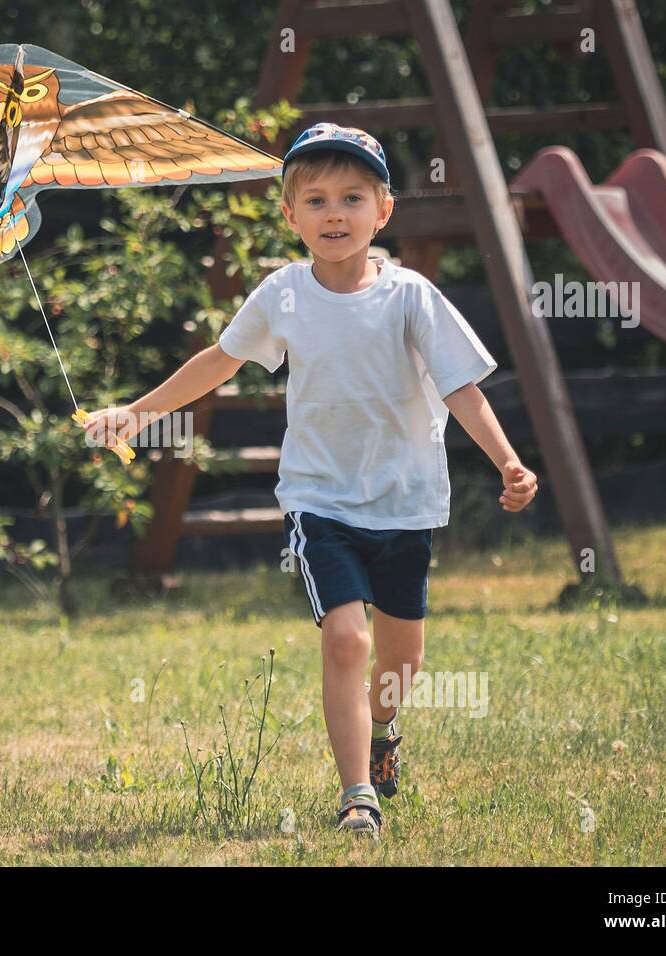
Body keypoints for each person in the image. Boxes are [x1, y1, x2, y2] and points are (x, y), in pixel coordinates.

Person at [79, 123, 538, 839]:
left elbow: (461, 388)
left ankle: (384, 735)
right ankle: (359, 793)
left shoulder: (411, 296)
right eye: (316, 200)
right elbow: (219, 361)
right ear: (289, 215)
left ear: (382, 212)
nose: (334, 214)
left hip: (405, 502)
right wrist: (136, 415)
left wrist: (507, 460)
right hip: (320, 499)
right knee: (345, 640)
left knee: (401, 661)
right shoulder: (282, 294)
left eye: (352, 198)